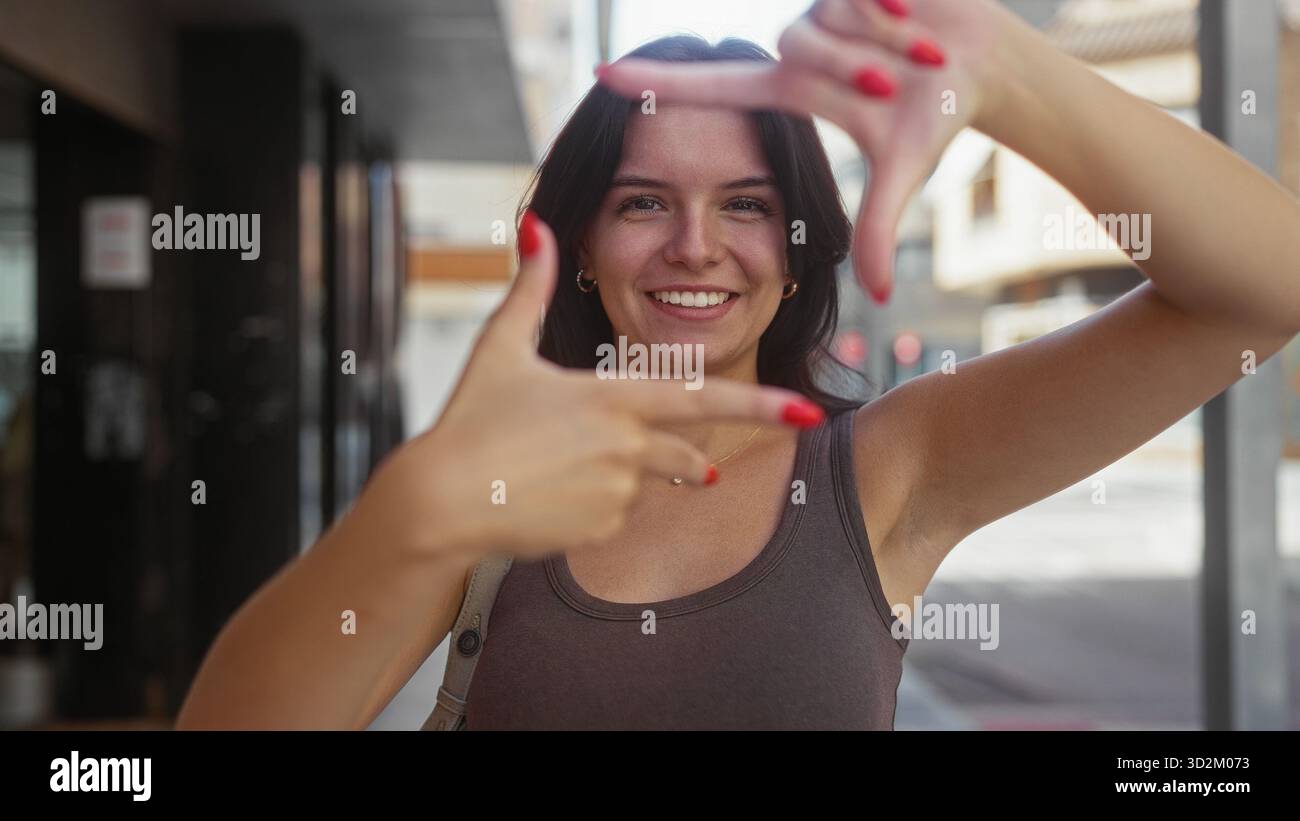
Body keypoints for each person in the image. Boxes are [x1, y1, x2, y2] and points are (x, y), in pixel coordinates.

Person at [180, 0, 1300, 730]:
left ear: (798, 239)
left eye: (747, 204)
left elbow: (1267, 289)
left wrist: (1008, 69)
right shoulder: (489, 482)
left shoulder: (890, 462)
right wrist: (410, 512)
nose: (695, 244)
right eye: (642, 201)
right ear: (576, 247)